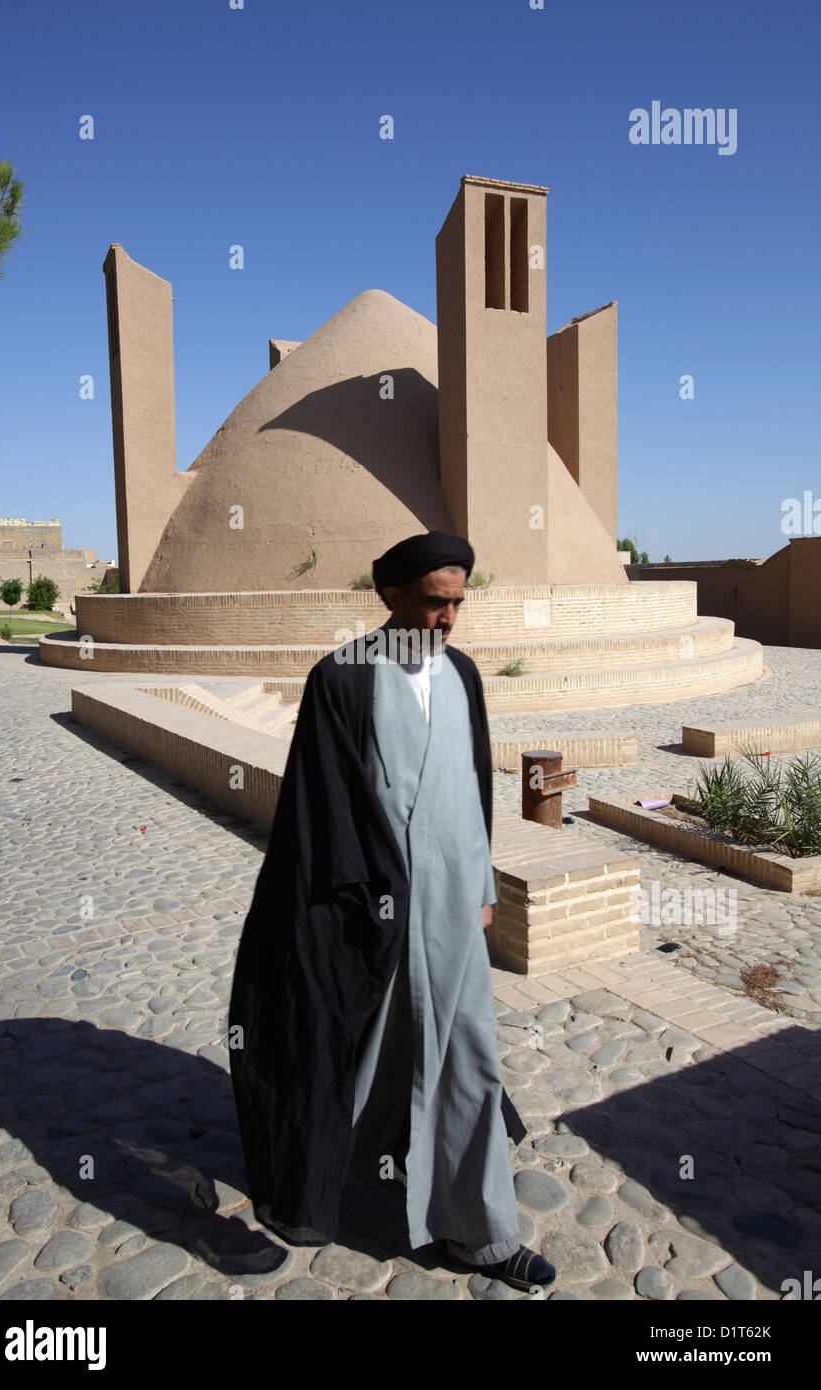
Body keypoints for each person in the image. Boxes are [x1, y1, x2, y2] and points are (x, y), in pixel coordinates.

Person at [227, 530, 556, 1294]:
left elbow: (475, 791)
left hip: (452, 912)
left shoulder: (465, 676)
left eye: (458, 604)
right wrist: (354, 911)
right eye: (434, 603)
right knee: (365, 1049)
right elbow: (319, 812)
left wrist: (481, 894)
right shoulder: (343, 679)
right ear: (391, 596)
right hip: (371, 911)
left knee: (469, 1054)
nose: (447, 619)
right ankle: (361, 1158)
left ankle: (483, 1233)